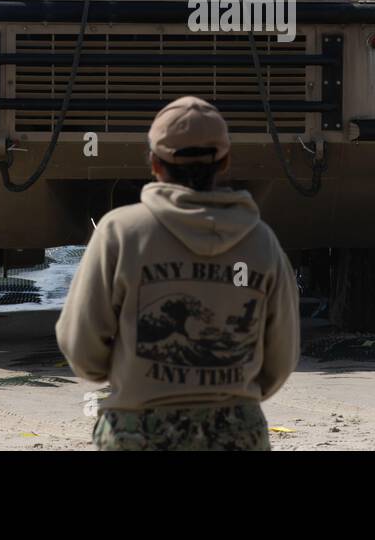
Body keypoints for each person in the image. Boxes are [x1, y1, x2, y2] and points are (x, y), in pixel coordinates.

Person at [56, 96, 301, 451]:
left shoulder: (120, 233)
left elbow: (82, 348)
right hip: (235, 435)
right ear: (225, 161)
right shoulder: (262, 242)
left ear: (155, 163)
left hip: (139, 433)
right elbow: (281, 359)